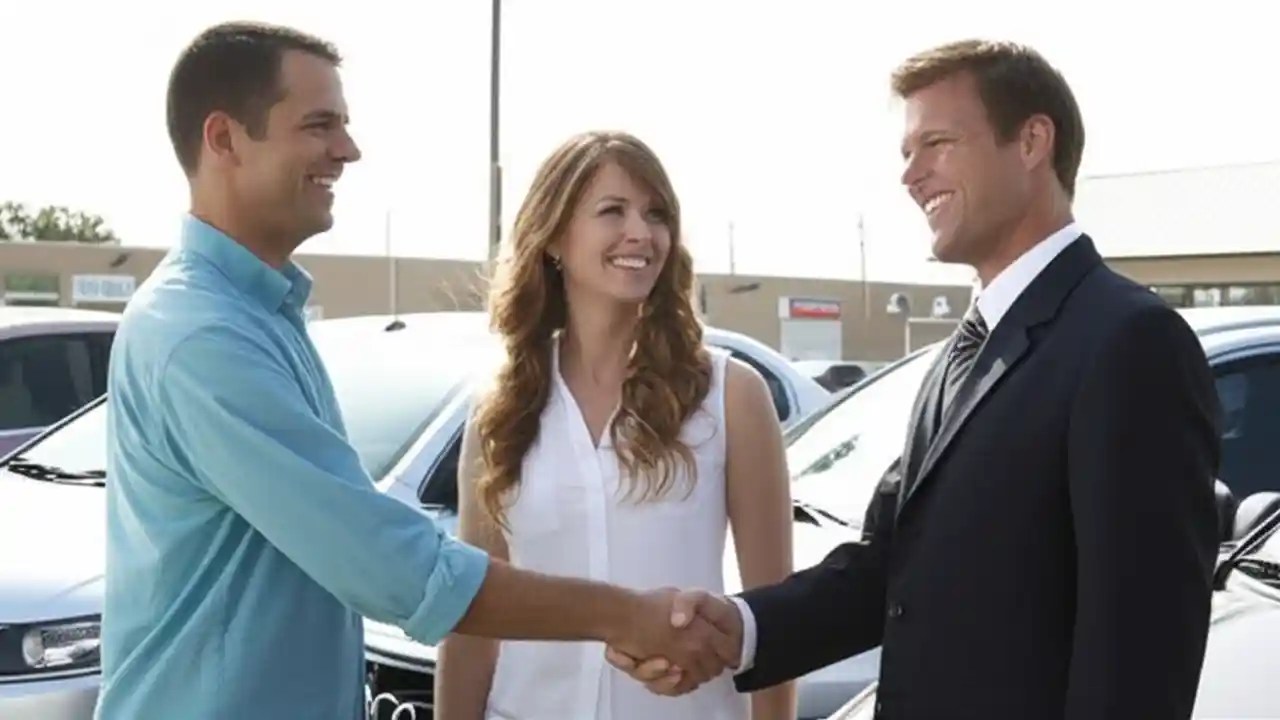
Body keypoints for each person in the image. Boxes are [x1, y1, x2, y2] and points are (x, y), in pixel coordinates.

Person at [96, 23, 737, 720]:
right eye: (319, 125)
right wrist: (627, 616)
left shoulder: (257, 313)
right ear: (224, 139)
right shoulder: (201, 334)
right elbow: (392, 567)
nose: (348, 149)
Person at [609, 39, 1223, 719]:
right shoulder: (962, 353)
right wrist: (739, 628)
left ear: (1031, 142)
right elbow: (891, 568)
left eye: (937, 144)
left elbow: (1139, 655)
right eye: (907, 152)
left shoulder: (1130, 343)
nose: (911, 175)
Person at [432, 130, 797, 720]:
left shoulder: (731, 395)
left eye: (656, 214)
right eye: (612, 211)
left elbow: (774, 620)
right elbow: (474, 617)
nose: (641, 233)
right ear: (554, 237)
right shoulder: (501, 407)